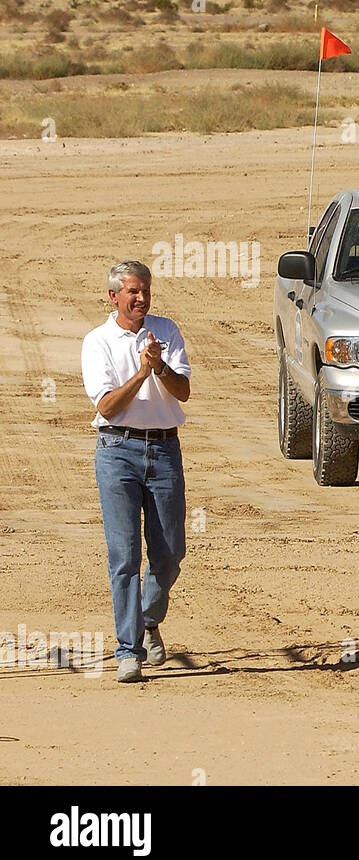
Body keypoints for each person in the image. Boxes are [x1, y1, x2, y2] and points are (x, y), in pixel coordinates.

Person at [81, 261, 191, 683]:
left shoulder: (166, 331)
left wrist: (160, 368)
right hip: (117, 451)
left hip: (164, 450)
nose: (141, 298)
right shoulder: (98, 341)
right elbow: (106, 407)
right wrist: (142, 372)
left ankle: (148, 620)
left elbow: (184, 392)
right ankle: (128, 648)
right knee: (123, 555)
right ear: (113, 296)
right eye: (132, 291)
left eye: (145, 290)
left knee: (170, 551)